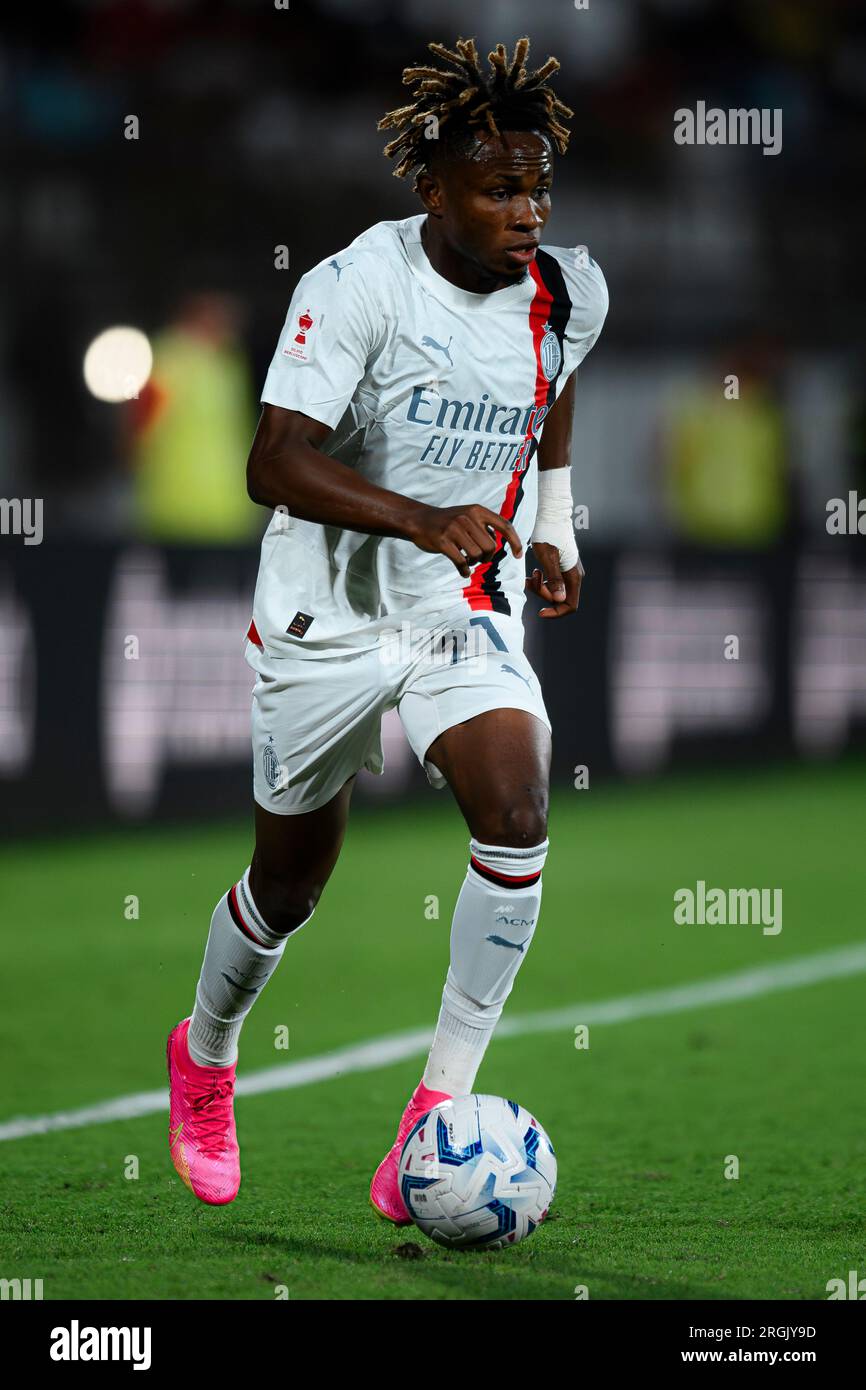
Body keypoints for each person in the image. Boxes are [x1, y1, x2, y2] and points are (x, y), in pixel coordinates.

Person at [166, 34, 608, 1221]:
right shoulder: (355, 286)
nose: (525, 210)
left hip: (453, 600)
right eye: (497, 186)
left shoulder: (568, 288)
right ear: (431, 188)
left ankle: (433, 1108)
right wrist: (420, 515)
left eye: (536, 186)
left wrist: (554, 524)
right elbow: (272, 463)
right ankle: (207, 1052)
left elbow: (550, 381)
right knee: (289, 881)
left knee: (515, 810)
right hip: (324, 608)